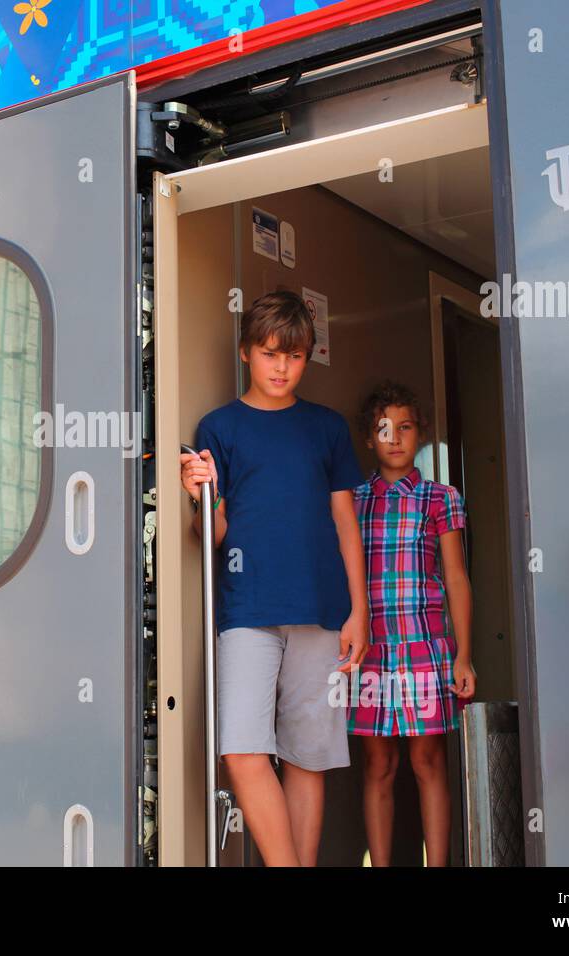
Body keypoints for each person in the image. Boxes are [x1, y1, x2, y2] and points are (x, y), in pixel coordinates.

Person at [180, 290, 368, 866]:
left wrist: (359, 611)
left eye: (294, 356)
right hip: (246, 609)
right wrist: (202, 497)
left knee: (308, 757)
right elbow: (209, 538)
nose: (282, 367)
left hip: (321, 609)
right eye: (269, 353)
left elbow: (345, 521)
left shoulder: (327, 428)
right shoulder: (218, 428)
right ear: (245, 352)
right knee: (241, 750)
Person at [347, 381, 476, 867]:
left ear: (420, 435)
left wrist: (463, 654)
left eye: (405, 427)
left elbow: (457, 579)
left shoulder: (439, 498)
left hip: (426, 648)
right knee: (378, 765)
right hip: (371, 651)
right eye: (384, 428)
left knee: (429, 761)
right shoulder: (354, 501)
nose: (395, 438)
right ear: (368, 438)